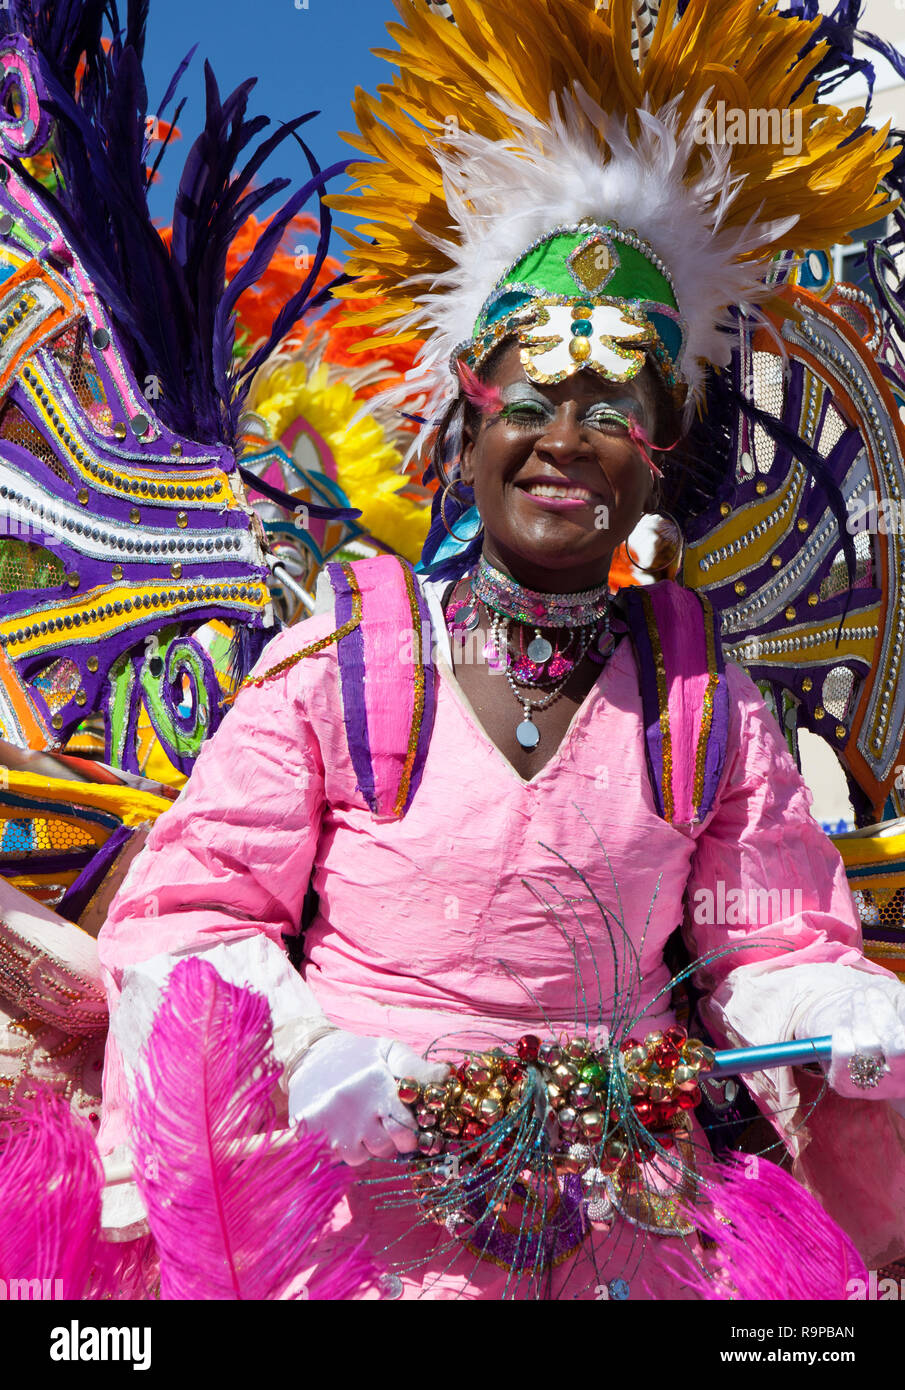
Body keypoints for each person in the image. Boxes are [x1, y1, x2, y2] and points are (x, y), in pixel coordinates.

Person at [96, 0, 905, 1297]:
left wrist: (835, 1008)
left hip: (631, 1235)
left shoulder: (701, 699)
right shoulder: (344, 663)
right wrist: (317, 1061)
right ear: (466, 433)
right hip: (357, 1234)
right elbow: (190, 916)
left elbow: (772, 945)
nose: (563, 440)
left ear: (660, 454)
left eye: (609, 411)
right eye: (527, 401)